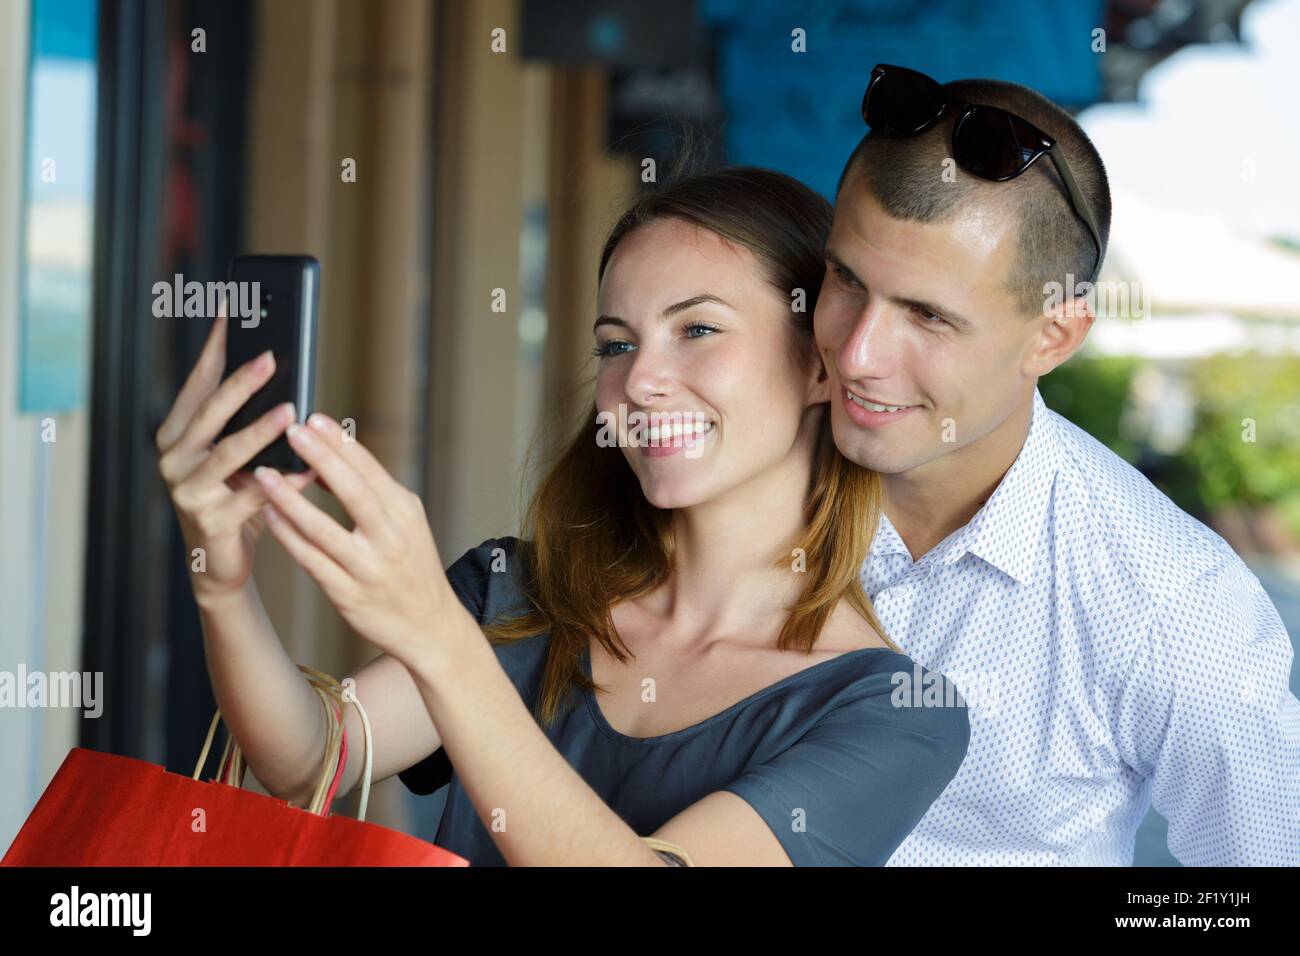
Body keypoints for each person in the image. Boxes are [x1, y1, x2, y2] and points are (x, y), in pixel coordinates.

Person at [156, 165, 970, 866]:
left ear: (822, 366)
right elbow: (310, 762)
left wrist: (443, 646)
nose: (640, 380)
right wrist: (222, 584)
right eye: (616, 344)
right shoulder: (515, 594)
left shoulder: (894, 717)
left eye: (696, 329)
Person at [816, 64, 1300, 864]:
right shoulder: (740, 466)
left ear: (1054, 338)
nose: (857, 355)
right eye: (846, 279)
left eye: (928, 316)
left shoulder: (1171, 605)